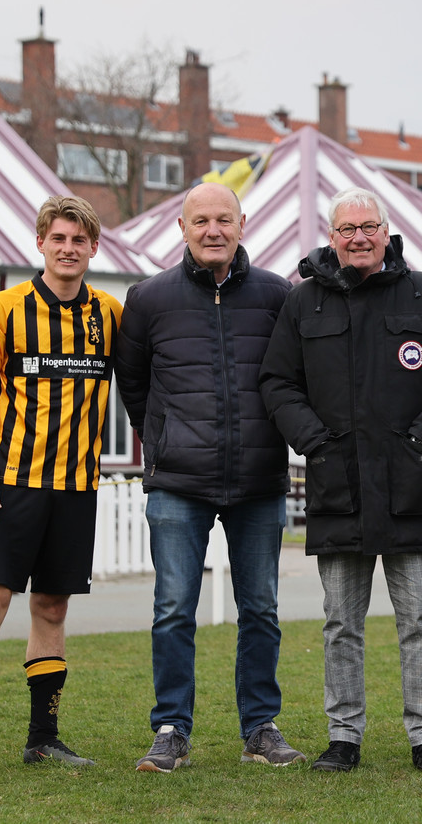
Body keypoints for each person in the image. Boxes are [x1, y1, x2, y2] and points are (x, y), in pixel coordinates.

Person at [260, 186, 422, 774]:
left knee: (420, 621)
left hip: (413, 487)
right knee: (340, 624)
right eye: (346, 228)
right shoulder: (302, 302)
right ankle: (343, 736)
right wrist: (313, 442)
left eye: (368, 226)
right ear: (331, 236)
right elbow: (277, 382)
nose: (358, 237)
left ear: (387, 231)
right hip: (338, 488)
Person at [115, 182, 302, 773]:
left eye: (224, 219)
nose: (213, 230)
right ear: (182, 227)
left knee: (262, 610)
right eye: (201, 221)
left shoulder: (278, 295)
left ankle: (260, 728)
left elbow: (293, 375)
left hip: (259, 480)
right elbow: (135, 384)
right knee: (173, 608)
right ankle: (171, 728)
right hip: (178, 483)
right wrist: (164, 441)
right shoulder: (148, 298)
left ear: (242, 224)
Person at [0, 195, 122, 778]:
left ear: (93, 248)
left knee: (51, 605)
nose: (68, 248)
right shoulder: (3, 309)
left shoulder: (110, 315)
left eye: (79, 240)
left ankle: (42, 740)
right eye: (59, 238)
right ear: (40, 242)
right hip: (10, 487)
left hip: (75, 488)